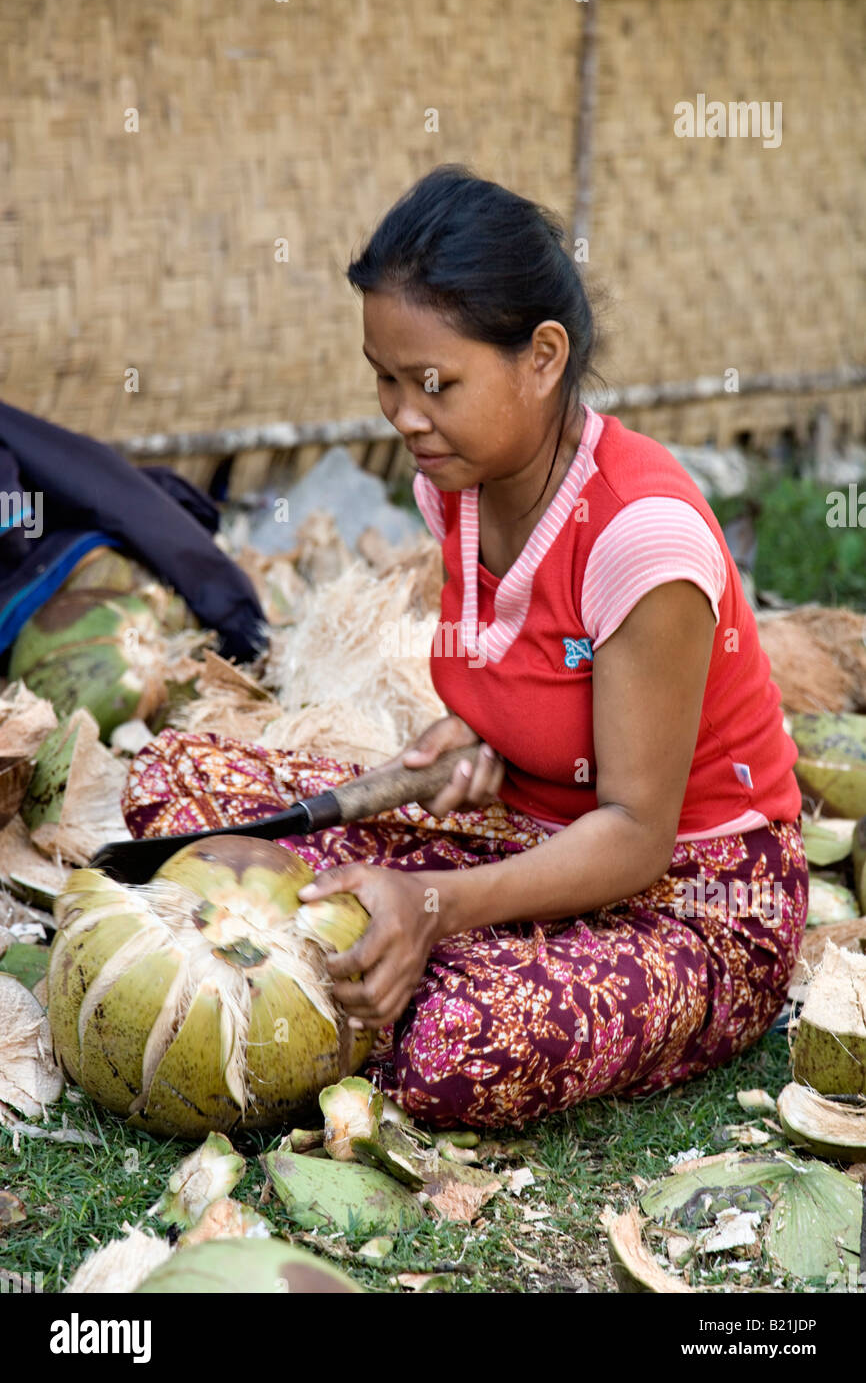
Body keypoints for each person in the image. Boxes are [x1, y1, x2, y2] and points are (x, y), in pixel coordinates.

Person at [123, 164, 808, 1130]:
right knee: (181, 790)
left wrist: (433, 905)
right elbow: (530, 665)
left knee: (456, 1043)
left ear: (542, 357)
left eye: (434, 382)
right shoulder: (454, 480)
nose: (403, 413)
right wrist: (482, 732)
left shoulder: (642, 539)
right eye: (385, 377)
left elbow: (639, 833)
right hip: (529, 833)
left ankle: (414, 954)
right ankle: (397, 947)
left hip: (693, 891)